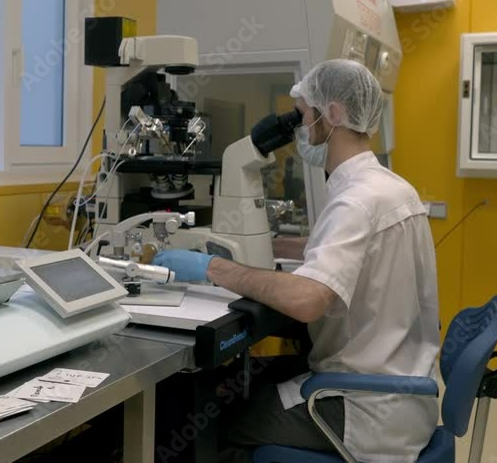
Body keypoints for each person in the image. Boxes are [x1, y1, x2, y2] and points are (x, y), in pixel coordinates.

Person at [152, 59, 441, 463]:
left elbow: (307, 300)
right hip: (402, 391)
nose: (301, 129)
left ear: (334, 113)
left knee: (198, 415)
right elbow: (357, 263)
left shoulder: (356, 199)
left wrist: (211, 268)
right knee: (242, 378)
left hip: (361, 407)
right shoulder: (394, 188)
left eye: (304, 115)